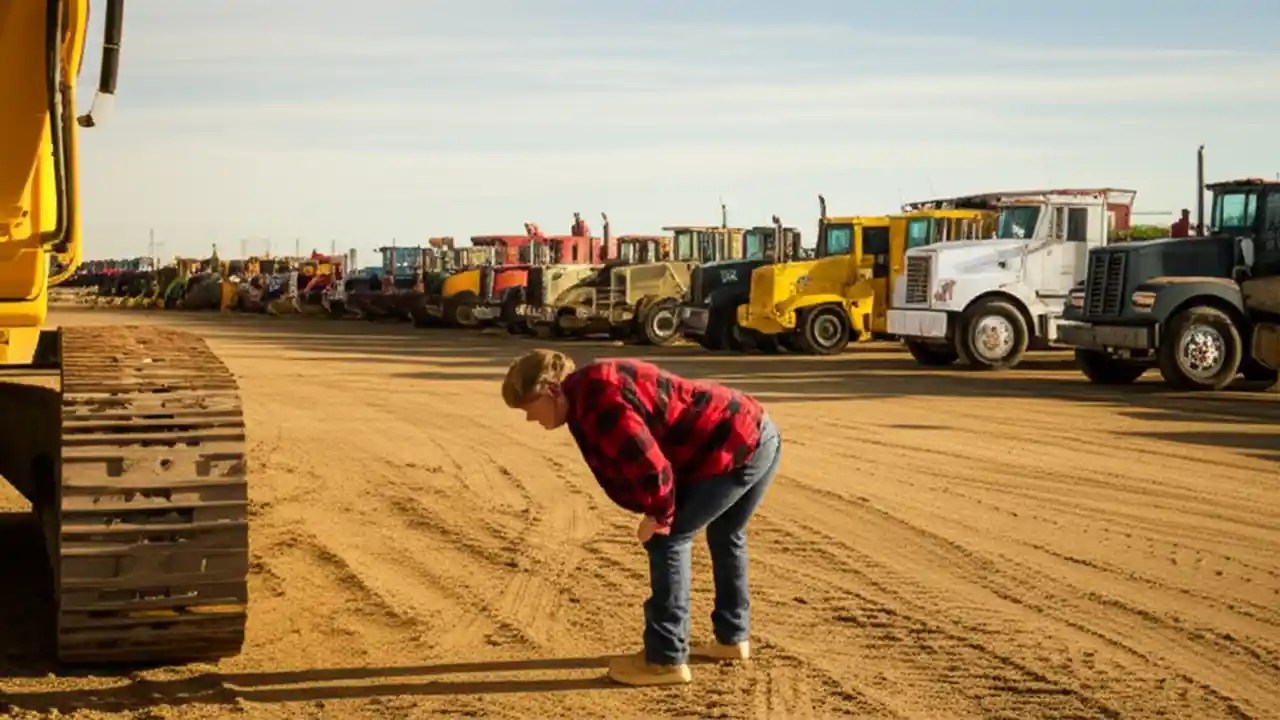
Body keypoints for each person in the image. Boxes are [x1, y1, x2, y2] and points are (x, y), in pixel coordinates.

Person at [502, 349, 782, 686]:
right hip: (757, 429)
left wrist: (659, 515)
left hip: (734, 443)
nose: (530, 419)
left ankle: (665, 659)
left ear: (550, 390)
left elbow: (654, 468)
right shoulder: (587, 389)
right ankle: (732, 639)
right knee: (726, 534)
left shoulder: (598, 399)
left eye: (528, 409)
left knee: (667, 540)